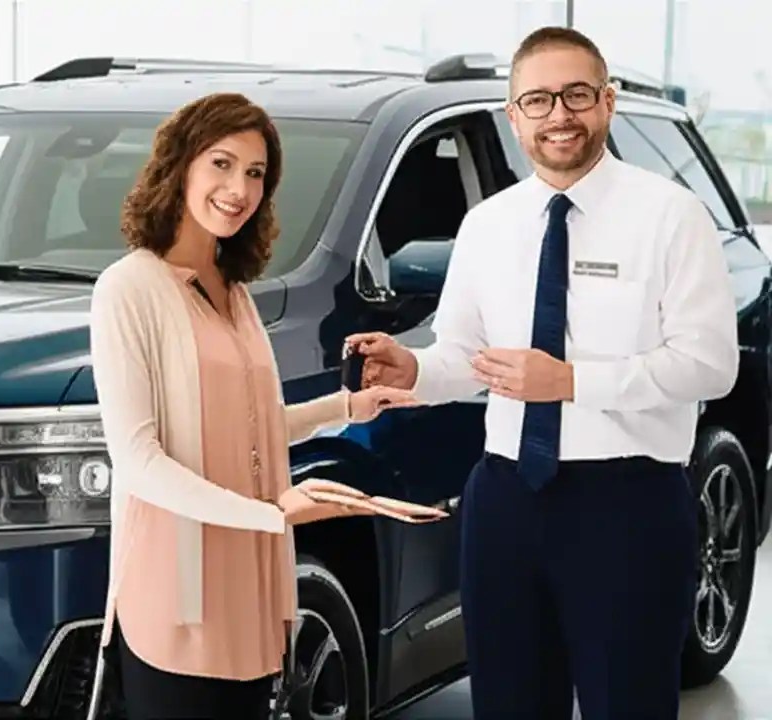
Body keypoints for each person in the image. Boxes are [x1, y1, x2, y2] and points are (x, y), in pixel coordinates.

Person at [347, 27, 739, 720]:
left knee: (628, 705)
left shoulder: (671, 217)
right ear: (514, 115)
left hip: (629, 505)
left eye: (576, 95)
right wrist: (413, 370)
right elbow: (465, 357)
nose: (559, 114)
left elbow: (710, 364)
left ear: (607, 102)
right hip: (506, 503)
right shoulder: (487, 225)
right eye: (538, 100)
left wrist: (571, 382)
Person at [87, 92, 441, 719]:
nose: (239, 189)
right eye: (222, 164)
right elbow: (139, 460)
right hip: (178, 592)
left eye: (255, 173)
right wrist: (272, 513)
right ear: (181, 165)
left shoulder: (234, 290)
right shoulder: (128, 289)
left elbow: (242, 428)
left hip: (251, 582)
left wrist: (346, 408)